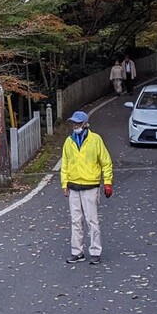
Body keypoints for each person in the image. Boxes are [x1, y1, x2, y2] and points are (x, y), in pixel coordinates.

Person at [60, 110, 113, 265]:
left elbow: (106, 162)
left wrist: (107, 182)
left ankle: (95, 251)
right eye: (73, 123)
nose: (75, 125)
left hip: (91, 185)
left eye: (77, 122)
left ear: (85, 124)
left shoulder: (95, 140)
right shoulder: (69, 142)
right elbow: (65, 164)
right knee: (76, 221)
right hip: (74, 186)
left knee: (92, 220)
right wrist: (64, 184)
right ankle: (77, 252)